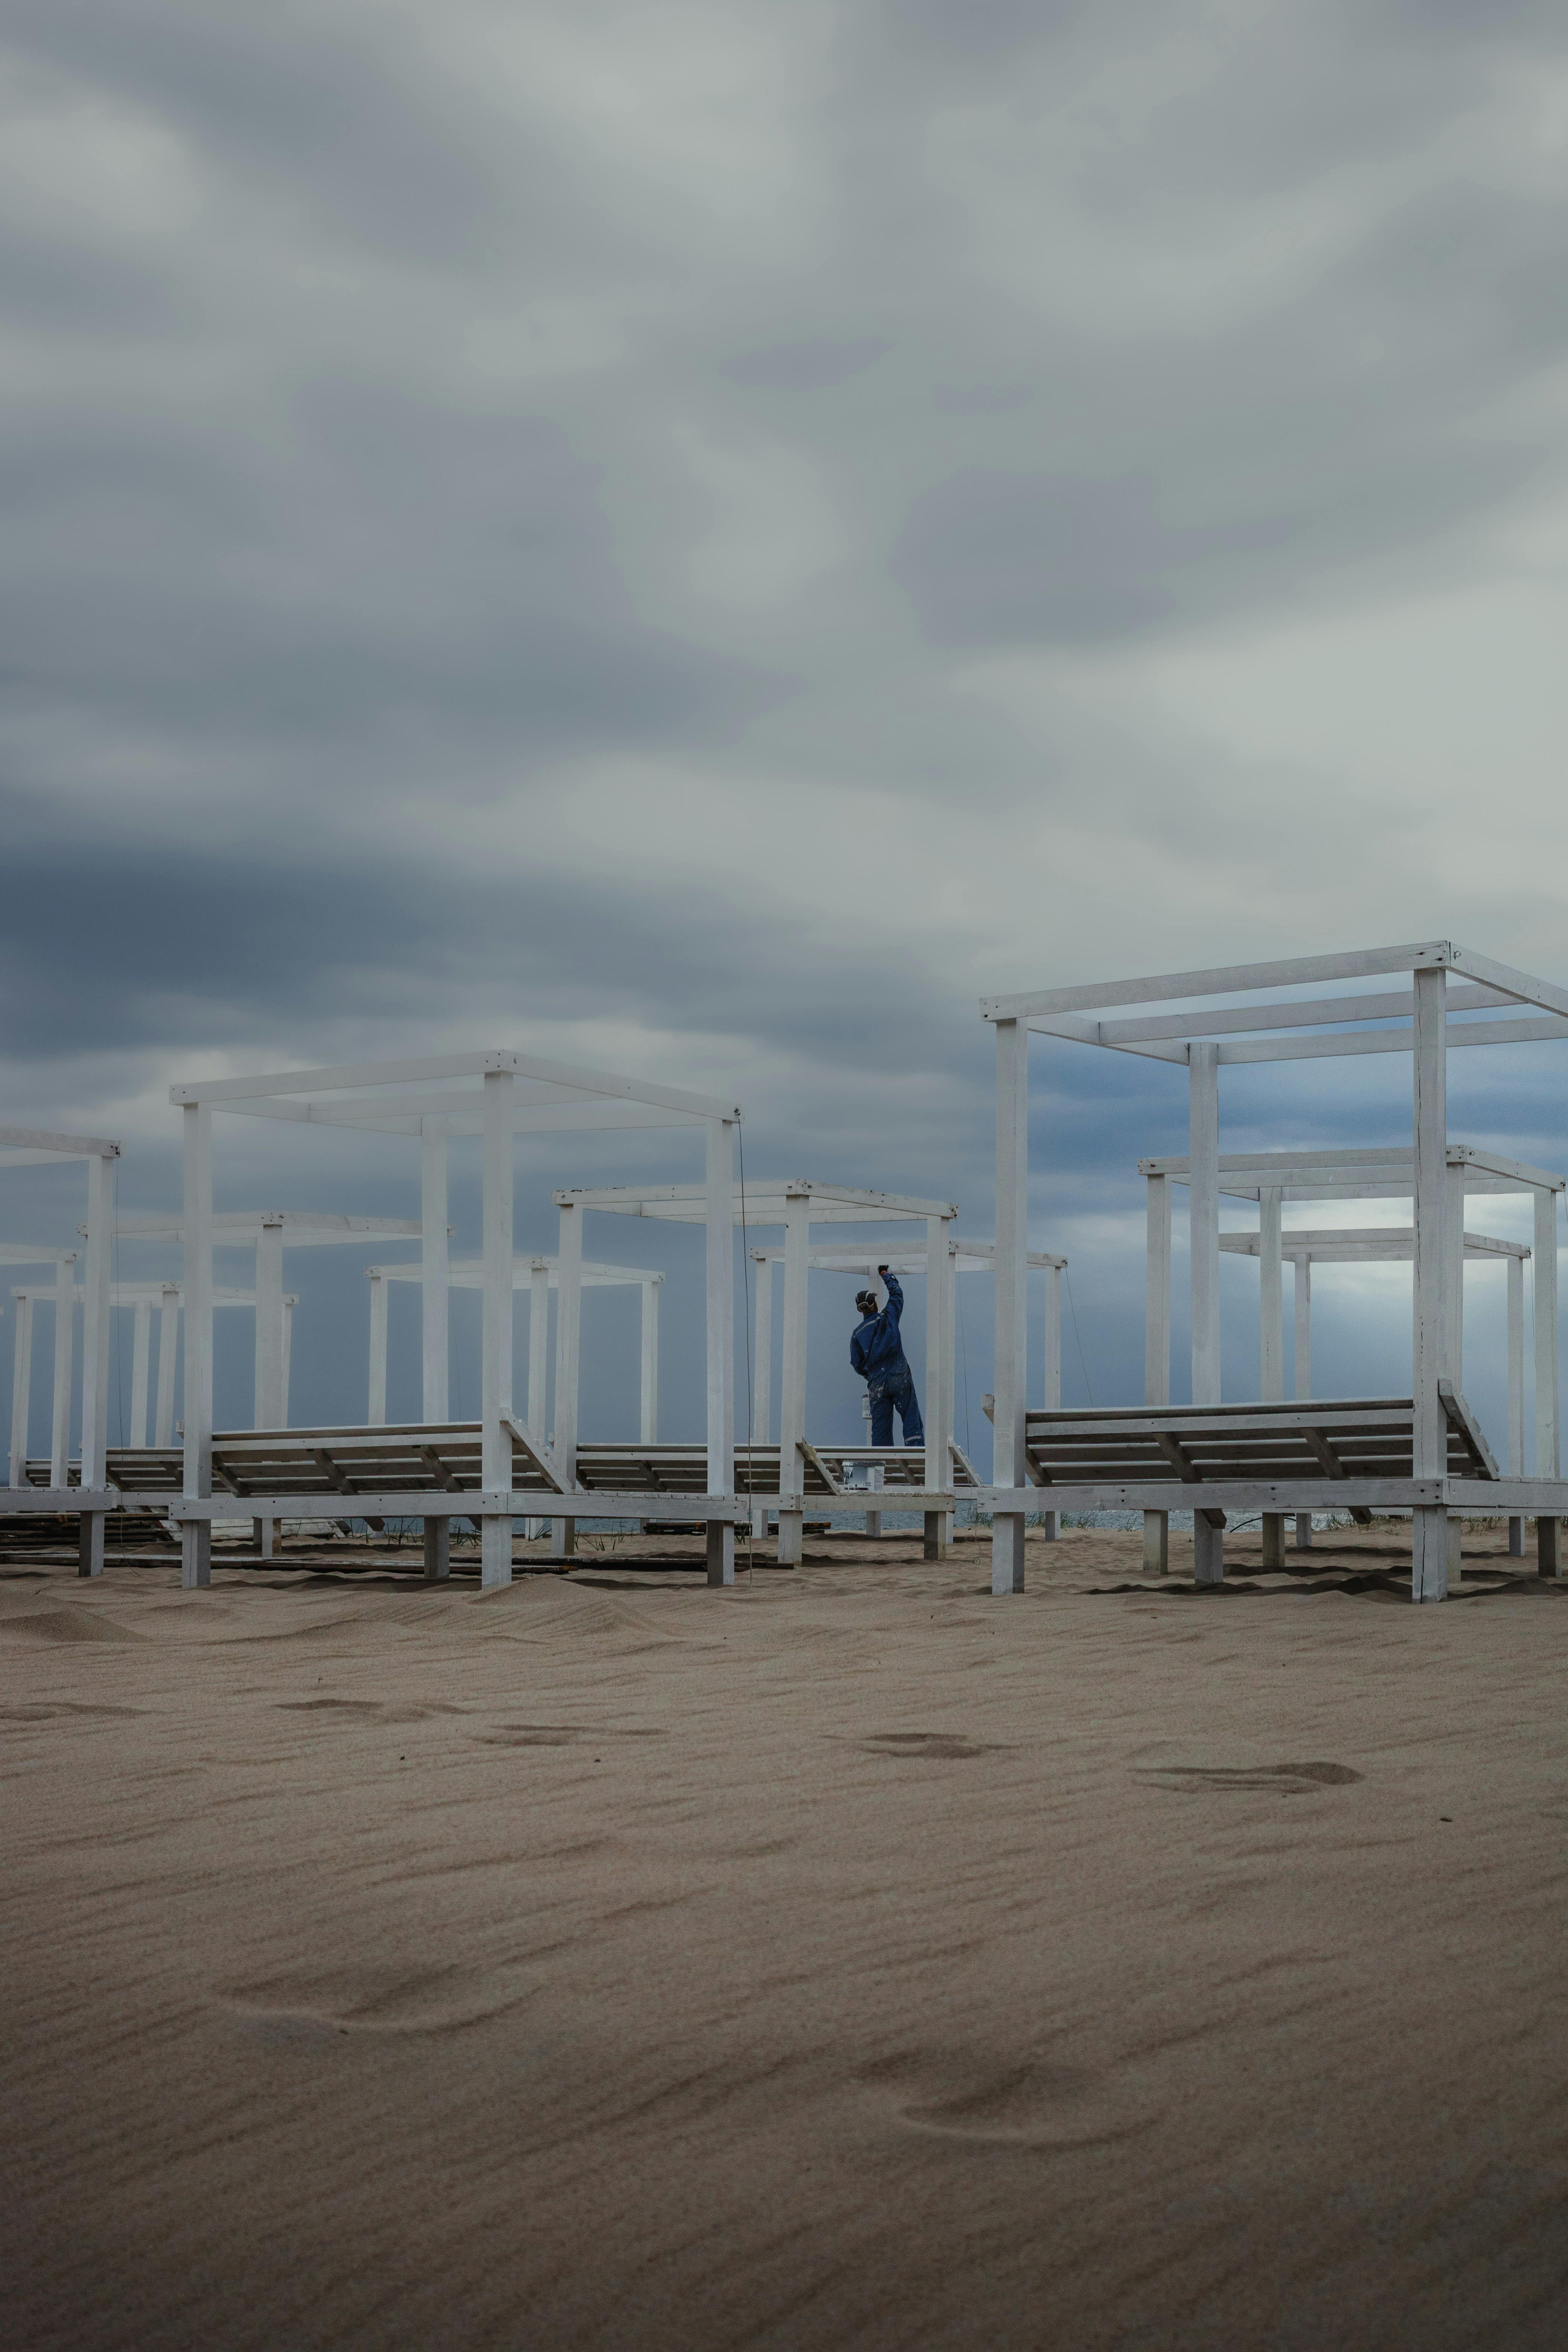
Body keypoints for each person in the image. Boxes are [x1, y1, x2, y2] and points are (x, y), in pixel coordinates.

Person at [850, 1265, 924, 1447]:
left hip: (877, 1384)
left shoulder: (858, 1334)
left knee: (881, 1429)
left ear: (860, 1310)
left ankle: (883, 1466)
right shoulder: (888, 1318)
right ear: (874, 1304)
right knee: (910, 1416)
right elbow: (897, 1295)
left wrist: (871, 1374)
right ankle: (916, 1459)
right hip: (899, 1376)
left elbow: (857, 1364)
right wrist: (885, 1274)